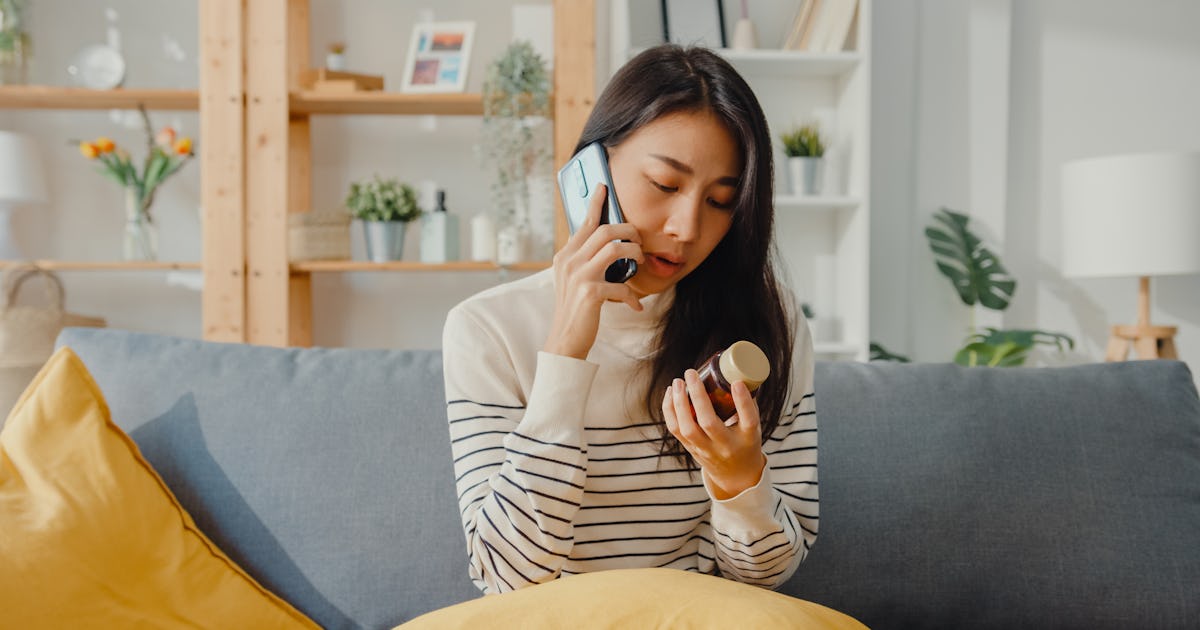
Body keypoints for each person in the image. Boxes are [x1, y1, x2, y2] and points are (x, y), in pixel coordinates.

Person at [442, 44, 817, 596]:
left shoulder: (768, 320)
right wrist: (566, 351)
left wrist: (739, 479)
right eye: (665, 185)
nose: (687, 227)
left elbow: (768, 574)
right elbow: (508, 576)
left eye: (720, 201)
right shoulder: (487, 330)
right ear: (591, 170)